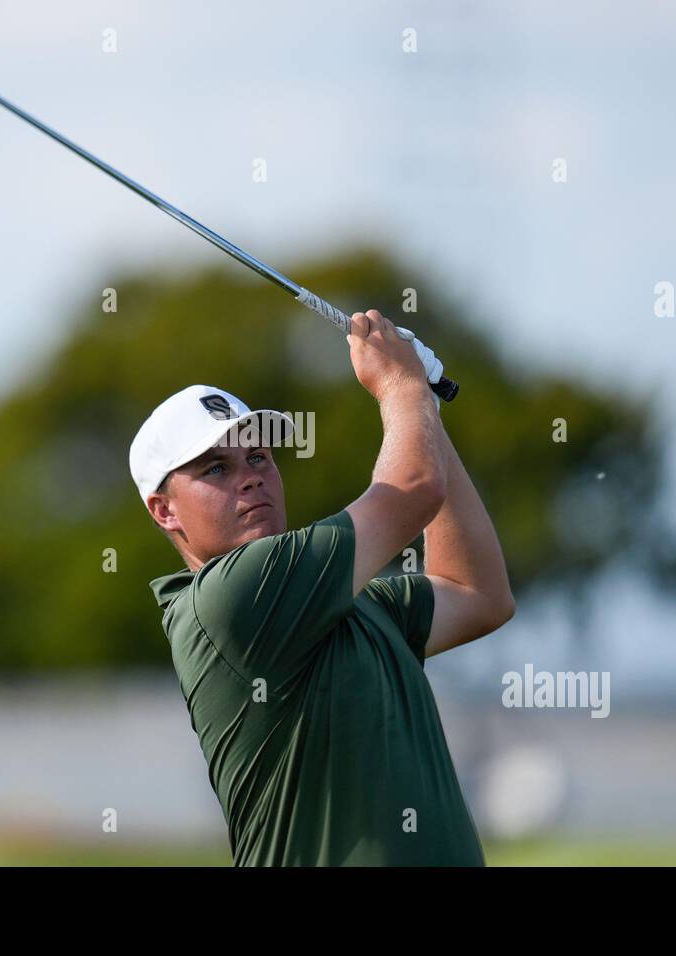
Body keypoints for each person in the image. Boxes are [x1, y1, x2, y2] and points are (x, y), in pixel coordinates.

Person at [127, 309, 515, 865]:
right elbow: (412, 489)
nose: (252, 474)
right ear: (165, 511)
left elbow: (478, 593)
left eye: (258, 455)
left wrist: (423, 402)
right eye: (216, 469)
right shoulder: (230, 596)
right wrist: (400, 386)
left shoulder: (353, 606)